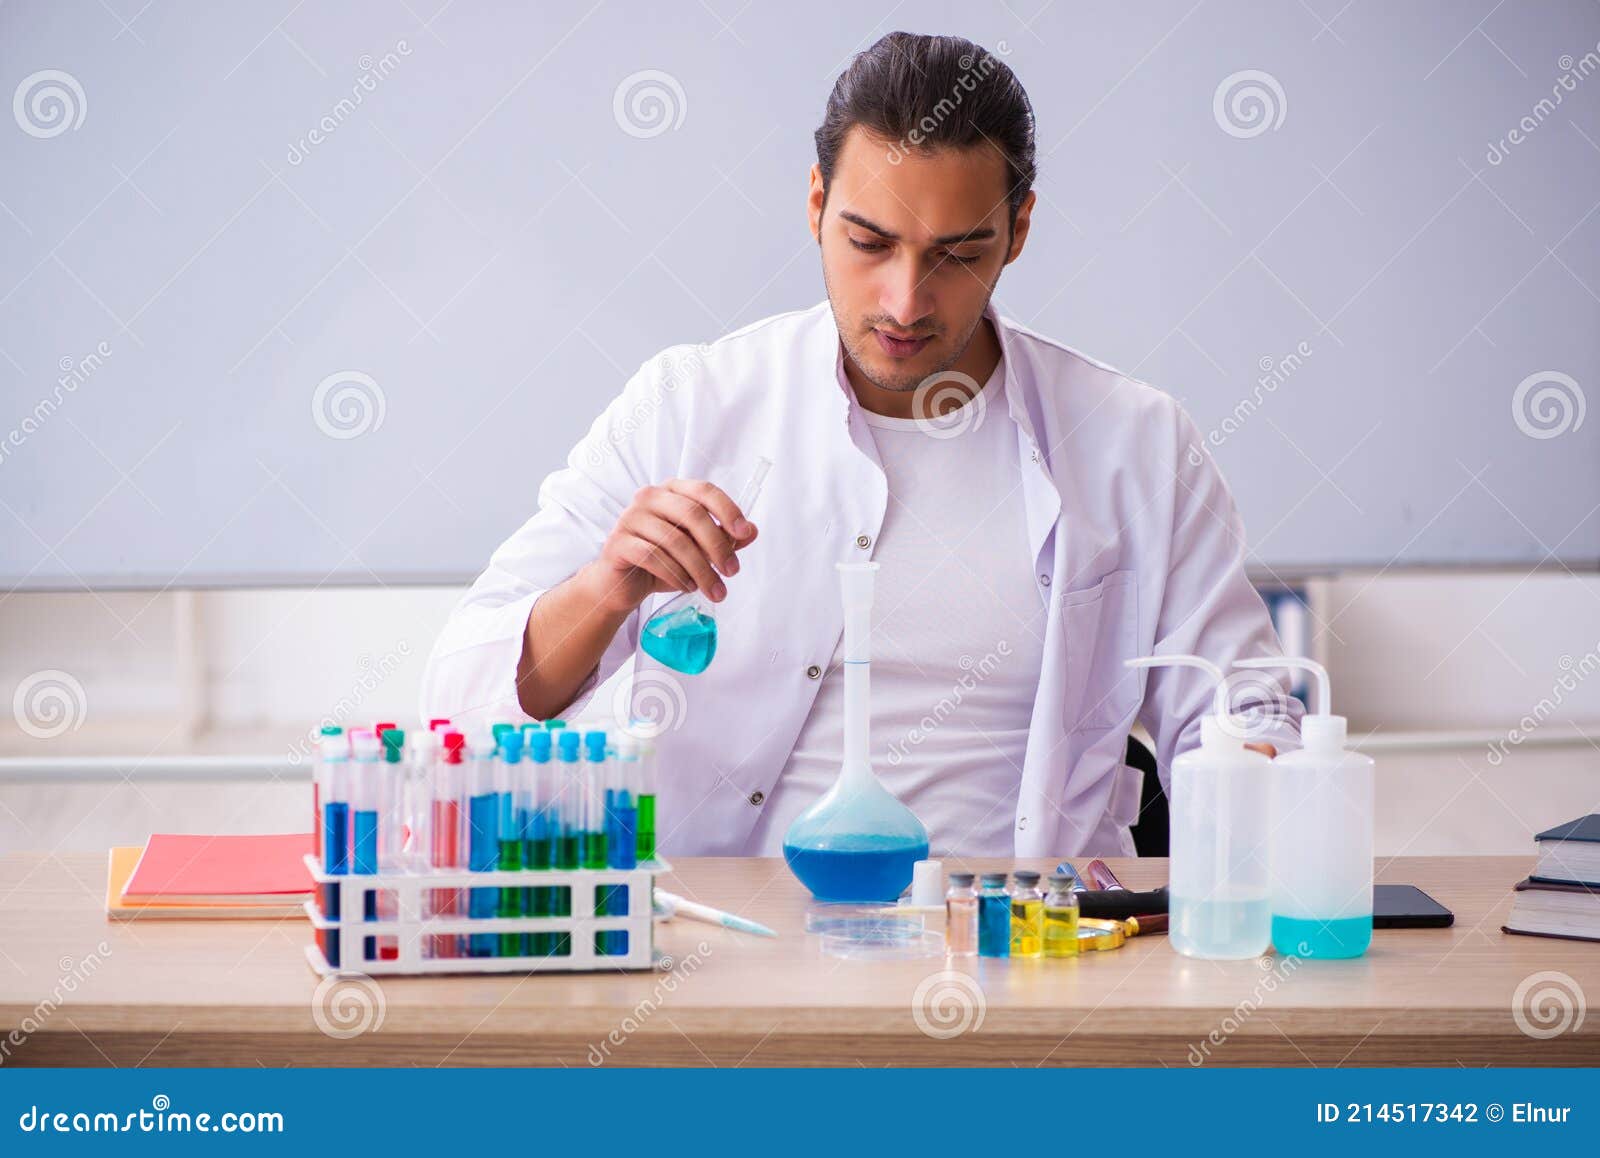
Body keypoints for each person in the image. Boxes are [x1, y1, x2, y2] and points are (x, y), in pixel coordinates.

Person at [420, 31, 1300, 858]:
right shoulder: (687, 406)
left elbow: (1244, 711)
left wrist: (1253, 777)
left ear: (1019, 231)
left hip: (1025, 941)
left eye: (957, 254)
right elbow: (460, 702)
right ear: (816, 204)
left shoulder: (1133, 442)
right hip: (724, 944)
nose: (905, 302)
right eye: (870, 243)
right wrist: (605, 588)